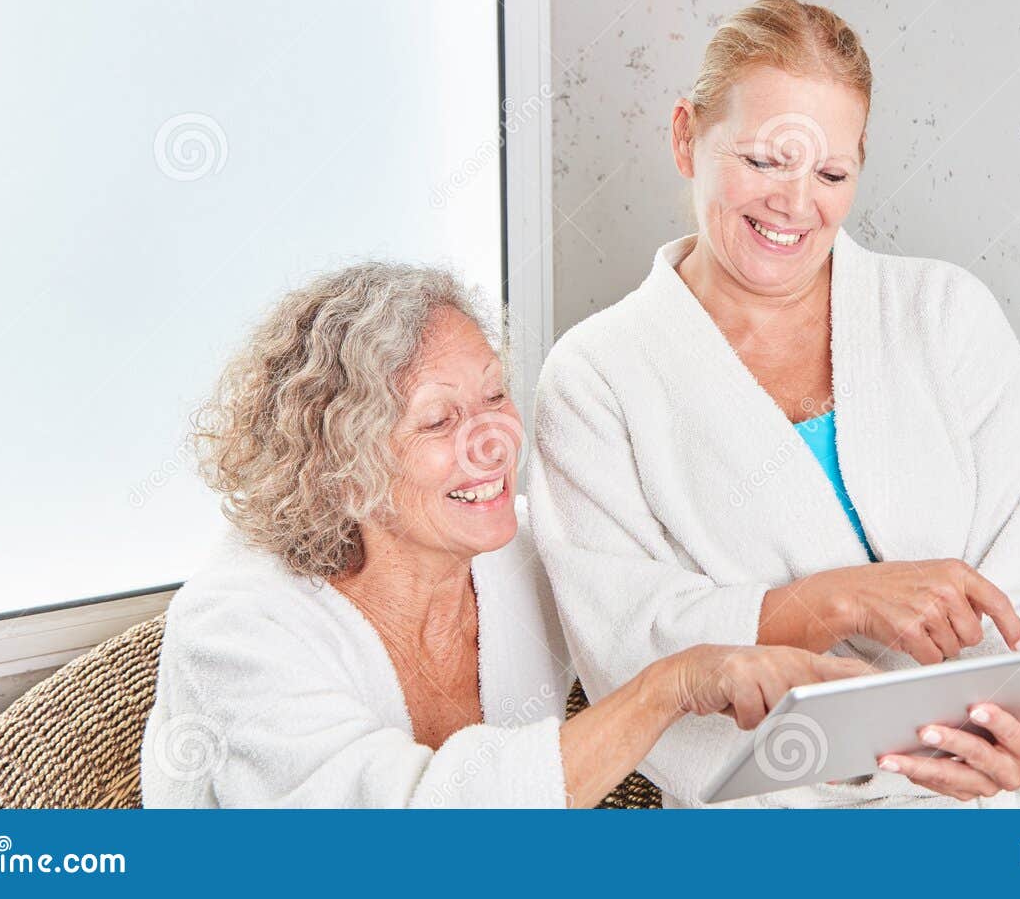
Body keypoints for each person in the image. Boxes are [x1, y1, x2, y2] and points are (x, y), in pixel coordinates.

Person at [529, 0, 1020, 808]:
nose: (794, 202)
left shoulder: (946, 316)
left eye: (830, 173)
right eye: (765, 159)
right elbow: (625, 637)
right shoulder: (596, 376)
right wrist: (825, 600)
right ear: (685, 135)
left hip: (991, 800)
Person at [140, 262, 869, 807]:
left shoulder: (517, 556)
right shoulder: (235, 625)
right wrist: (668, 688)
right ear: (343, 473)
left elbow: (658, 608)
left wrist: (841, 711)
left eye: (493, 395)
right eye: (438, 419)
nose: (494, 441)